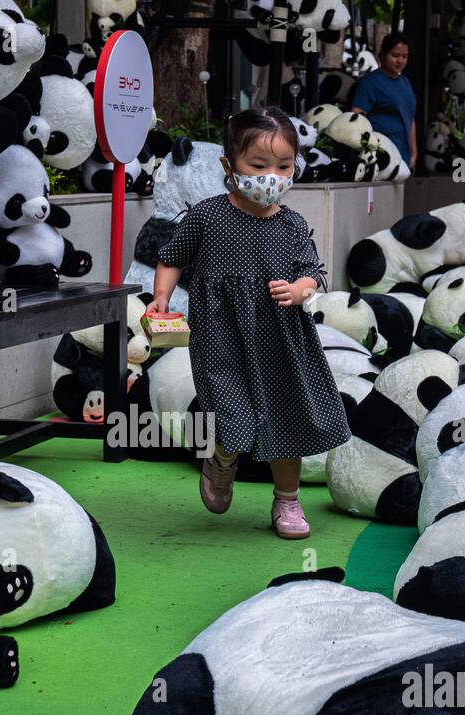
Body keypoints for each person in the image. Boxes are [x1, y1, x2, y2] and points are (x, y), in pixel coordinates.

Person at [146, 107, 350, 540]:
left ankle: (288, 501)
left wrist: (299, 290)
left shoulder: (292, 225)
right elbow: (171, 257)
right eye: (258, 166)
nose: (271, 176)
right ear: (228, 165)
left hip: (281, 337)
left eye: (283, 166)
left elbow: (313, 273)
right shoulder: (206, 216)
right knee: (232, 415)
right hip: (220, 338)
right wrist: (161, 296)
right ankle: (222, 458)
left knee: (286, 418)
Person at [348, 31, 418, 169]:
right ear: (383, 55)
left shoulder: (406, 82)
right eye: (395, 55)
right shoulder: (369, 83)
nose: (400, 61)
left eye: (404, 56)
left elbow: (410, 118)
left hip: (403, 157)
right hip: (380, 156)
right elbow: (356, 118)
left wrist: (414, 153)